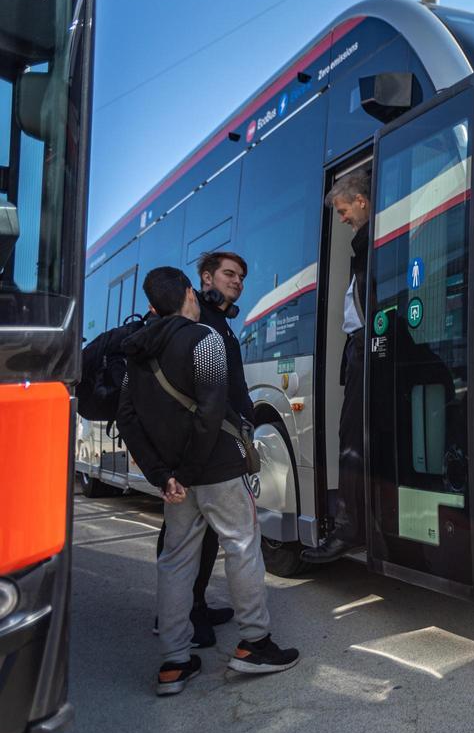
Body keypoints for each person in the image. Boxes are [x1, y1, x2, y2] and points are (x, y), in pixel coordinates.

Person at [117, 267, 299, 696]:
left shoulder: (137, 352)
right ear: (186, 295)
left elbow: (126, 417)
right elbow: (212, 410)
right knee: (241, 546)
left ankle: (174, 664)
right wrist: (189, 472)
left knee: (176, 561)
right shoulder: (205, 341)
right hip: (213, 470)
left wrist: (162, 475)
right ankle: (255, 644)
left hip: (174, 481)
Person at [151, 251, 250, 647]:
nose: (237, 281)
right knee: (186, 537)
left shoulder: (220, 324)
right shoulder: (198, 323)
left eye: (241, 276)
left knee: (205, 534)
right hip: (199, 446)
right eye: (228, 273)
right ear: (204, 280)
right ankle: (176, 616)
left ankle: (194, 605)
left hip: (216, 443)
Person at [302, 171, 371, 563]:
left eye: (344, 210)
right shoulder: (363, 243)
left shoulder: (372, 240)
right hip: (357, 349)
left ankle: (348, 528)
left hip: (365, 347)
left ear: (361, 201)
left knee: (352, 444)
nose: (341, 218)